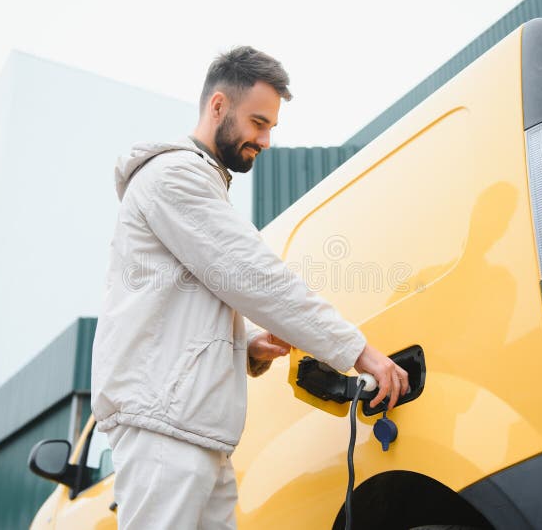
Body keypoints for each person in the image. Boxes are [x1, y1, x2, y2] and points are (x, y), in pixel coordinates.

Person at [91, 46, 409, 530]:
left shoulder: (199, 182)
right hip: (165, 431)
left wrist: (244, 347)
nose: (265, 139)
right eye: (258, 123)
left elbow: (179, 315)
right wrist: (358, 351)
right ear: (218, 106)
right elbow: (256, 278)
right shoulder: (175, 177)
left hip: (195, 432)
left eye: (271, 127)